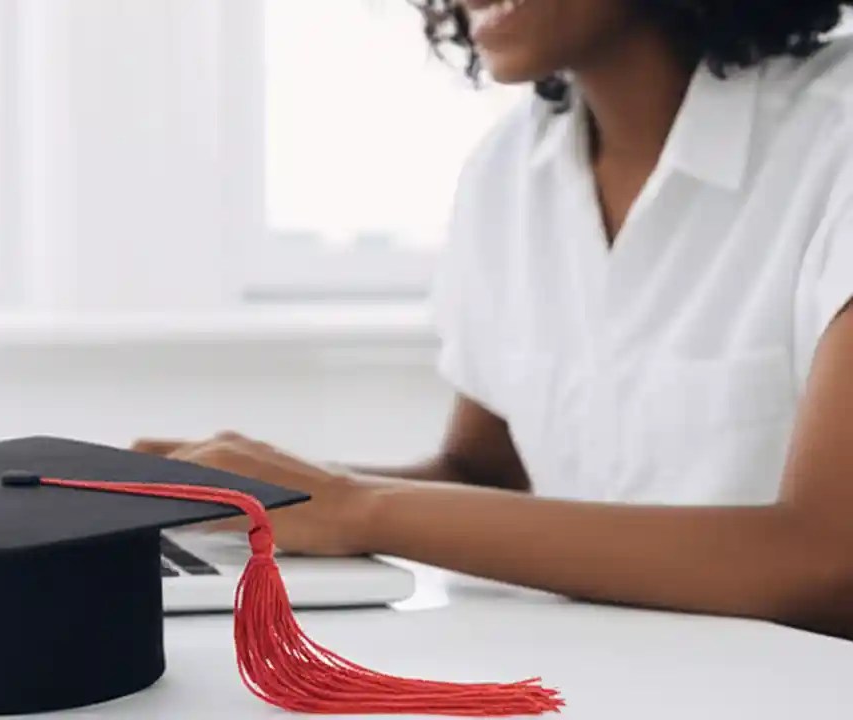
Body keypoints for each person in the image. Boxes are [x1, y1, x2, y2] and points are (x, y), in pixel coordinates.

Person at [135, 0, 853, 638]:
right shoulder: (509, 169)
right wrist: (261, 490)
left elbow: (830, 563)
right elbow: (485, 476)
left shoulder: (836, 139)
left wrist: (356, 506)